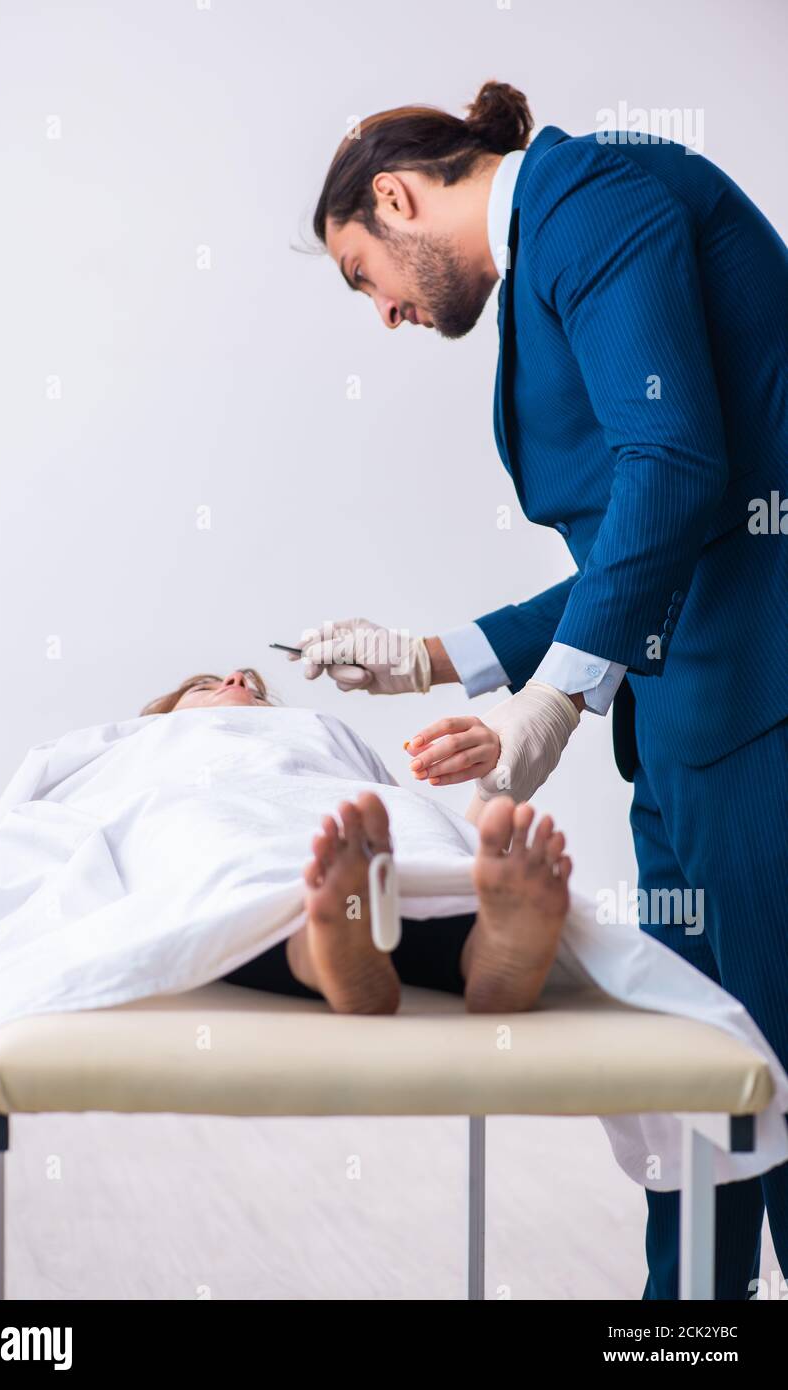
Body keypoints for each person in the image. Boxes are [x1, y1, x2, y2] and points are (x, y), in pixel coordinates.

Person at [300, 81, 788, 1298]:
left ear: (397, 197)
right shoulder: (557, 251)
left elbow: (675, 466)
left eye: (364, 276)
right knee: (696, 1095)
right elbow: (642, 534)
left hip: (764, 714)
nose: (385, 317)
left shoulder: (592, 201)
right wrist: (432, 656)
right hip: (687, 730)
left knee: (776, 1083)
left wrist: (559, 700)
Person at [142, 667, 570, 1016]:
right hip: (225, 826)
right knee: (229, 857)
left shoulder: (319, 733)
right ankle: (327, 951)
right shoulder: (137, 753)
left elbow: (412, 823)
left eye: (257, 695)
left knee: (407, 865)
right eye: (202, 687)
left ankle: (488, 954)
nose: (237, 680)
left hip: (356, 865)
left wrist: (493, 792)